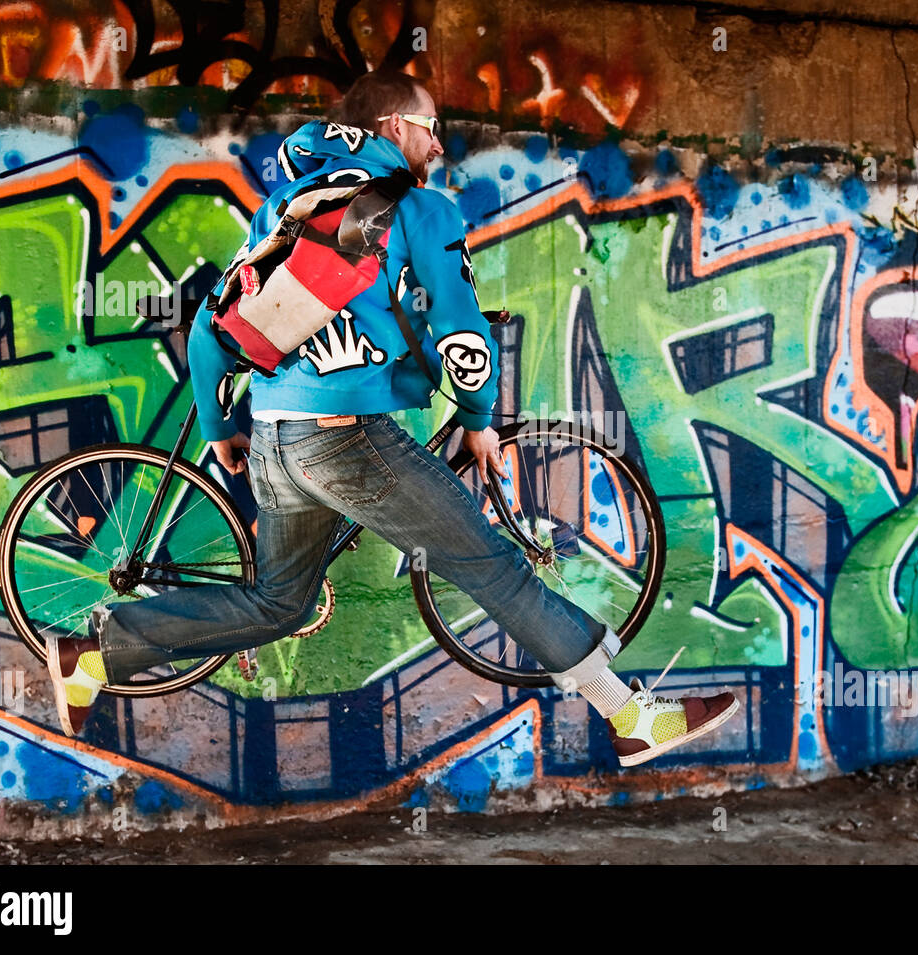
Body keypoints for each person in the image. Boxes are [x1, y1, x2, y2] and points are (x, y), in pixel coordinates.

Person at [44, 71, 738, 767]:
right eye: (430, 128)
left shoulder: (285, 205)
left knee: (278, 603)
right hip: (351, 442)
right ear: (395, 127)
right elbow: (464, 337)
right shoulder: (421, 211)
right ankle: (632, 716)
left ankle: (93, 656)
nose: (438, 144)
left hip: (276, 438)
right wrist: (478, 416)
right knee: (495, 567)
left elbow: (209, 328)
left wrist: (221, 428)